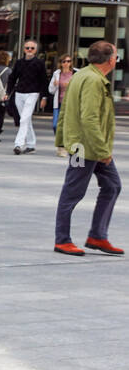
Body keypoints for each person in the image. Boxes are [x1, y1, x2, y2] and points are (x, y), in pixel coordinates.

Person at [53, 40, 122, 257]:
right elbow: (89, 118)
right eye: (116, 57)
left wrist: (62, 138)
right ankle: (62, 240)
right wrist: (103, 152)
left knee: (112, 186)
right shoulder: (92, 80)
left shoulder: (83, 74)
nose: (116, 60)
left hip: (85, 145)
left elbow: (65, 110)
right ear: (110, 59)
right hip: (86, 147)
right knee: (72, 192)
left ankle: (97, 236)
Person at [7, 39, 47, 154]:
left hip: (33, 93)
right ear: (24, 49)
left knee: (24, 119)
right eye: (27, 48)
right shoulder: (19, 62)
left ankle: (18, 144)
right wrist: (8, 93)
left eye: (32, 48)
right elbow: (12, 78)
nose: (29, 50)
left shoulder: (39, 63)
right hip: (19, 93)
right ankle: (31, 144)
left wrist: (44, 97)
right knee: (25, 119)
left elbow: (44, 80)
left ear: (35, 50)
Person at [49, 53, 77, 145]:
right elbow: (51, 91)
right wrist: (55, 85)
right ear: (60, 63)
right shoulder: (57, 73)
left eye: (68, 61)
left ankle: (64, 144)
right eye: (64, 61)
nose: (66, 63)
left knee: (69, 125)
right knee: (55, 125)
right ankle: (60, 141)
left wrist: (71, 85)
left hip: (71, 104)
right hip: (59, 103)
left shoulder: (76, 73)